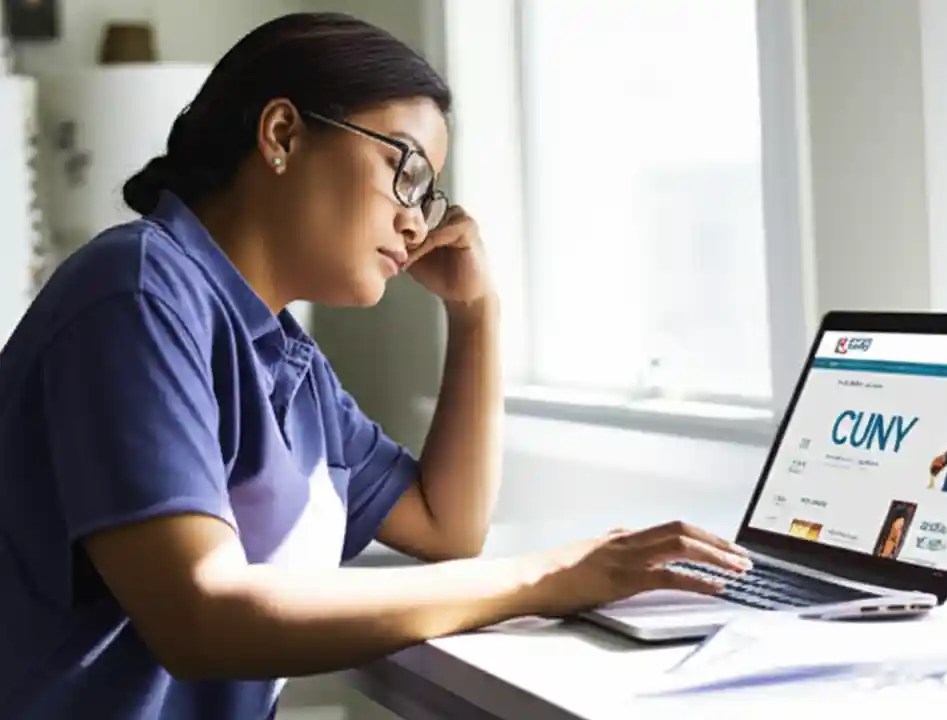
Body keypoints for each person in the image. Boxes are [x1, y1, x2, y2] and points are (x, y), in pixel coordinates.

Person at [0, 13, 750, 719]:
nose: (418, 220)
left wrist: (476, 313)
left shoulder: (283, 356)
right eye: (407, 171)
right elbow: (202, 618)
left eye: (431, 195)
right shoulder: (135, 296)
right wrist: (547, 578)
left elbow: (445, 525)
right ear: (283, 134)